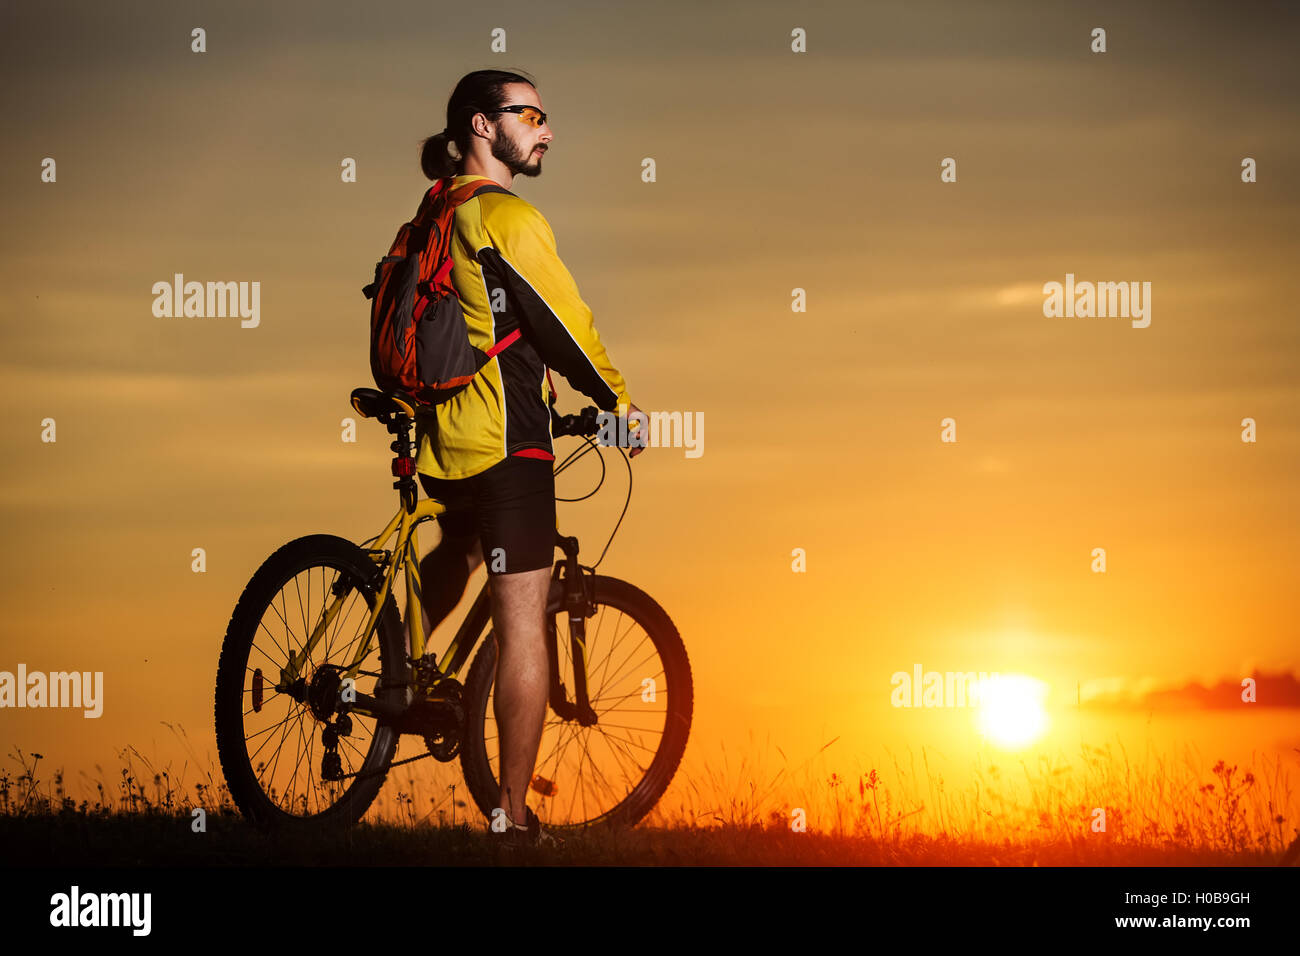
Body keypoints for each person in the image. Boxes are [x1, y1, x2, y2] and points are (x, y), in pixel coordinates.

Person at [412, 69, 645, 845]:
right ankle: (511, 817)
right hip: (509, 444)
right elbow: (562, 324)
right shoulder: (507, 216)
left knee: (459, 549)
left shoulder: (434, 209)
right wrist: (615, 400)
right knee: (523, 630)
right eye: (531, 115)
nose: (546, 130)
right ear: (484, 125)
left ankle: (398, 672)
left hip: (443, 440)